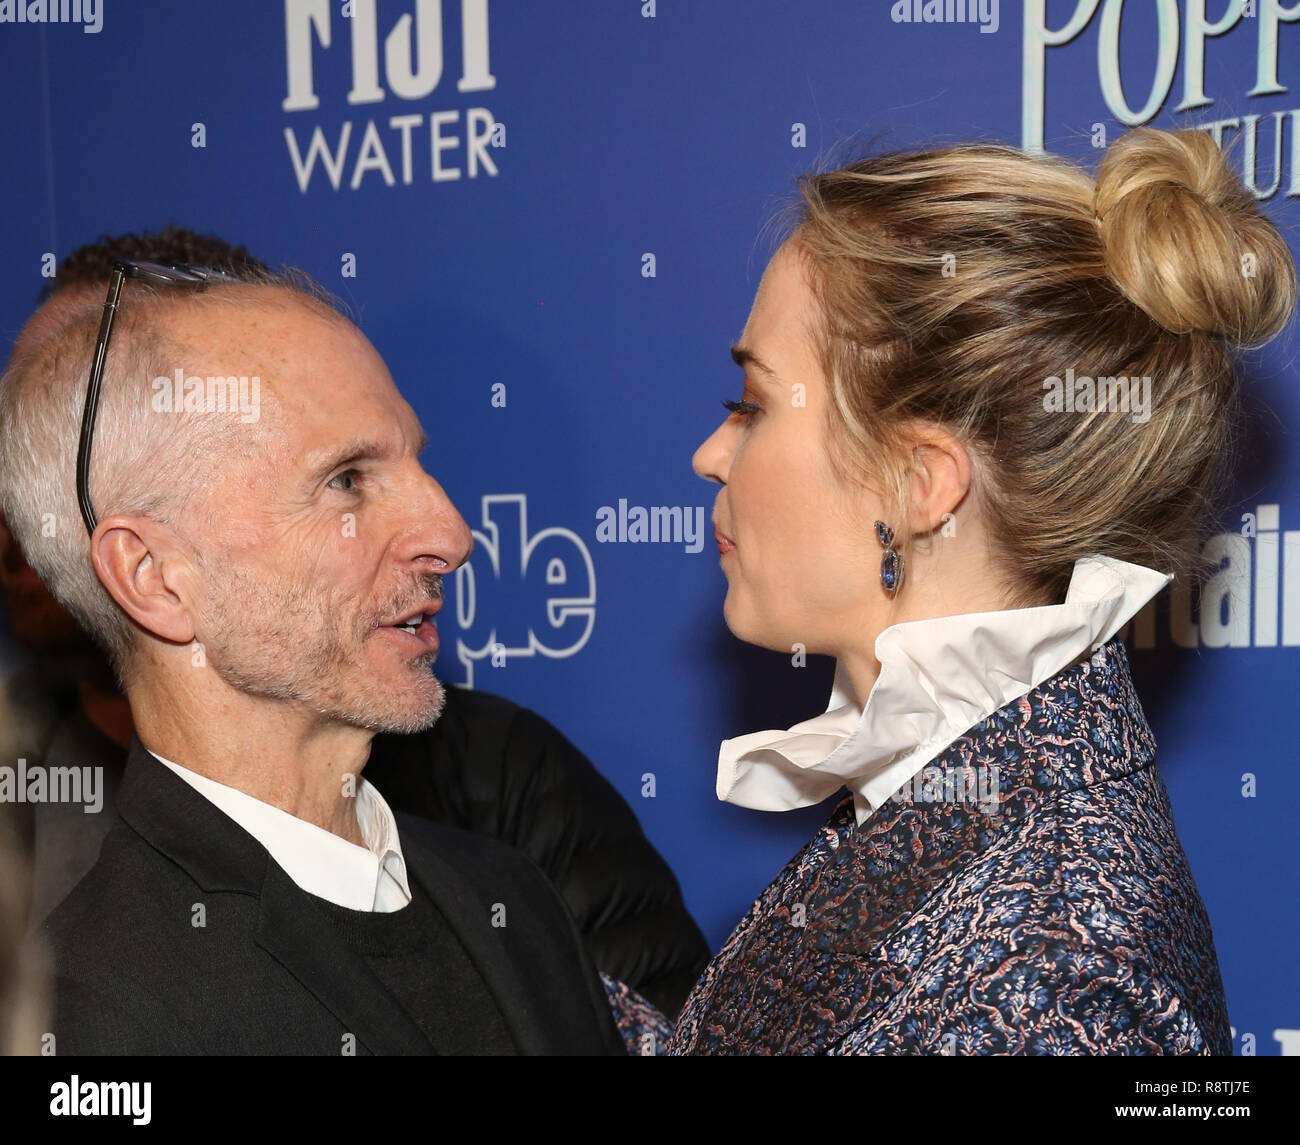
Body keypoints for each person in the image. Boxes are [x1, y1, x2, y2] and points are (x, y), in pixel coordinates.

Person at [667, 126, 1296, 1055]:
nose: (710, 454)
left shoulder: (1059, 972)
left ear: (920, 485)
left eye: (753, 405)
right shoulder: (954, 784)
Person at [0, 227, 709, 1019]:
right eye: (346, 480)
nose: (450, 534)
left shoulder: (515, 904)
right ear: (155, 576)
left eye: (415, 460)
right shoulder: (91, 1020)